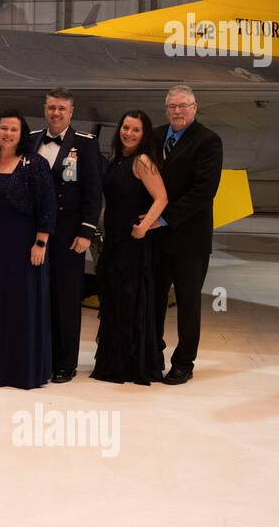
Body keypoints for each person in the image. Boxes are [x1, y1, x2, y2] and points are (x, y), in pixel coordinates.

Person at [0, 110, 56, 390]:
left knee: (22, 306)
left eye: (14, 130)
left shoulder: (34, 163)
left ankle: (22, 369)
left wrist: (41, 242)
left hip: (23, 246)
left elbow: (47, 206)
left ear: (22, 134)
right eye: (3, 128)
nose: (7, 133)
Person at [28, 88, 103, 383]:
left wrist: (87, 231)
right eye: (51, 108)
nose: (55, 113)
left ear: (71, 112)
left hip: (69, 235)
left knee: (66, 300)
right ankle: (41, 356)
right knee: (38, 297)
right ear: (45, 109)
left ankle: (65, 363)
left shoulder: (85, 144)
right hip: (34, 235)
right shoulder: (32, 139)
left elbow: (93, 191)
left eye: (61, 109)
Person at [152, 84, 224, 385]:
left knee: (188, 304)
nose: (177, 111)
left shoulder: (208, 141)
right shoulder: (155, 137)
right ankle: (152, 354)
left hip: (189, 240)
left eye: (183, 106)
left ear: (195, 108)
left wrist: (163, 217)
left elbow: (204, 191)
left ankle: (183, 363)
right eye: (172, 106)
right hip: (155, 238)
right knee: (153, 300)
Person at [91, 111, 169, 385]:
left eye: (136, 130)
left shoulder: (142, 161)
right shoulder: (117, 159)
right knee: (114, 300)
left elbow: (161, 198)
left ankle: (131, 364)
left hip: (133, 242)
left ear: (143, 134)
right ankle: (115, 361)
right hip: (114, 241)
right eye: (126, 127)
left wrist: (145, 226)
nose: (129, 133)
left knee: (130, 300)